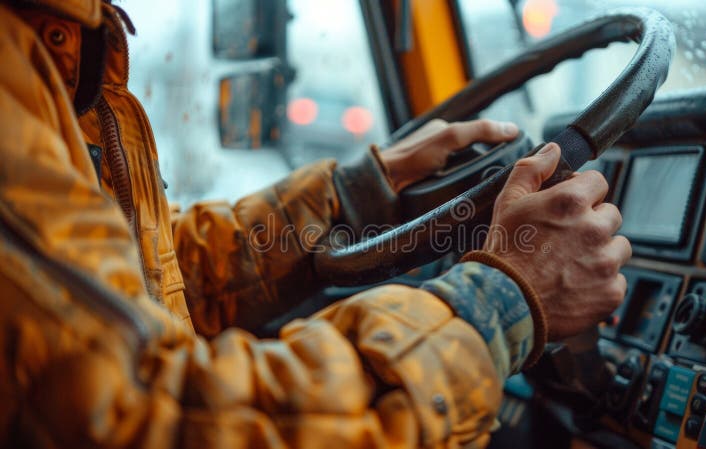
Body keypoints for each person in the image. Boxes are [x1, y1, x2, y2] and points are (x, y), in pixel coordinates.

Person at [0, 0, 631, 447]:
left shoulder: (42, 50)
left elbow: (149, 274)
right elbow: (151, 415)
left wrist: (357, 194)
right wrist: (500, 303)